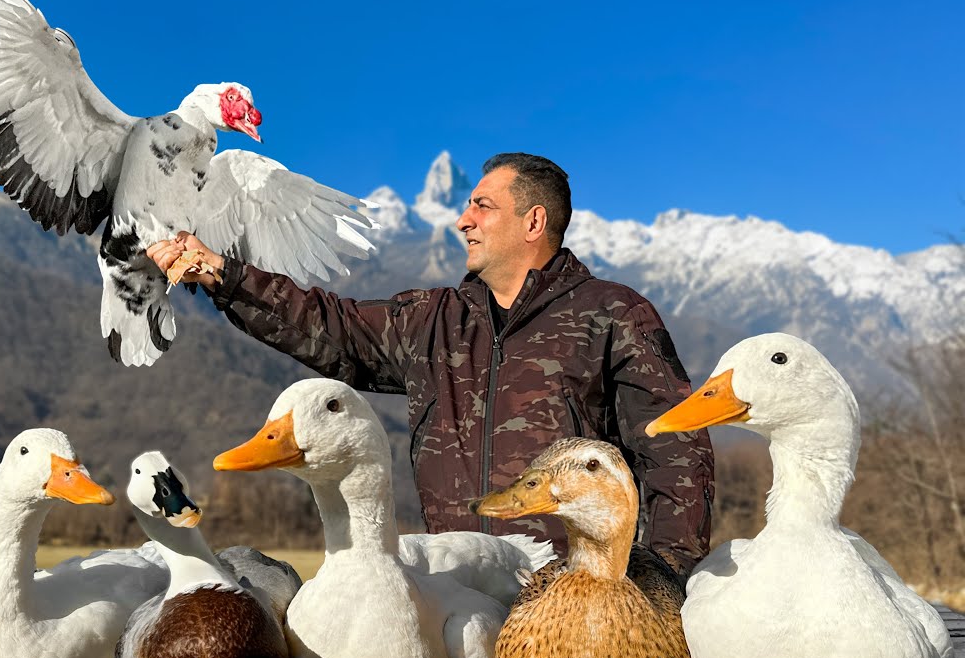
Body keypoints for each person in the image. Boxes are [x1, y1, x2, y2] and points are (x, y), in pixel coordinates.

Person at [147, 153, 715, 575]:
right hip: (461, 586)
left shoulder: (612, 313)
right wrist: (223, 274)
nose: (462, 220)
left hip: (574, 598)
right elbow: (330, 326)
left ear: (533, 222)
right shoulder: (433, 320)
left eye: (482, 206)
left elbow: (675, 452)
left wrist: (665, 580)